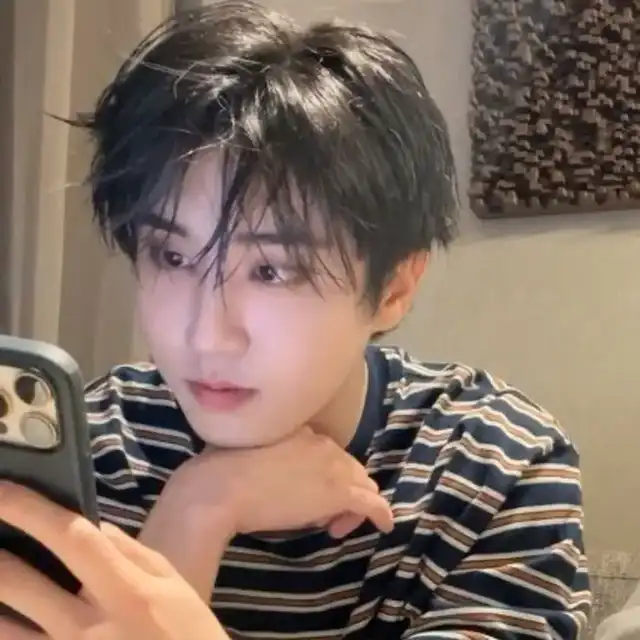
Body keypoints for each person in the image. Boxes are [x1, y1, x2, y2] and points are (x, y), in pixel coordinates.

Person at [0, 1, 591, 638]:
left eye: (272, 270)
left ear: (393, 288)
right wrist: (193, 518)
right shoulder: (87, 452)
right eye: (171, 256)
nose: (206, 335)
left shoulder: (491, 468)